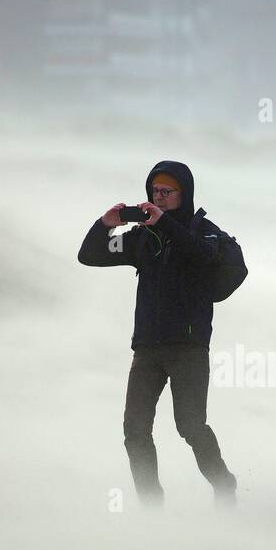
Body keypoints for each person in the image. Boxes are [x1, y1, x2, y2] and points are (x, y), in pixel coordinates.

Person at [77, 160, 238, 509]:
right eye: (154, 192)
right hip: (147, 350)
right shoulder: (142, 240)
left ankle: (224, 483)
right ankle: (152, 509)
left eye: (167, 192)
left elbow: (202, 257)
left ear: (184, 194)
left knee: (190, 427)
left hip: (189, 349)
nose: (159, 198)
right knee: (134, 431)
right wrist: (104, 225)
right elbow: (88, 255)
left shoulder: (203, 232)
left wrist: (165, 223)